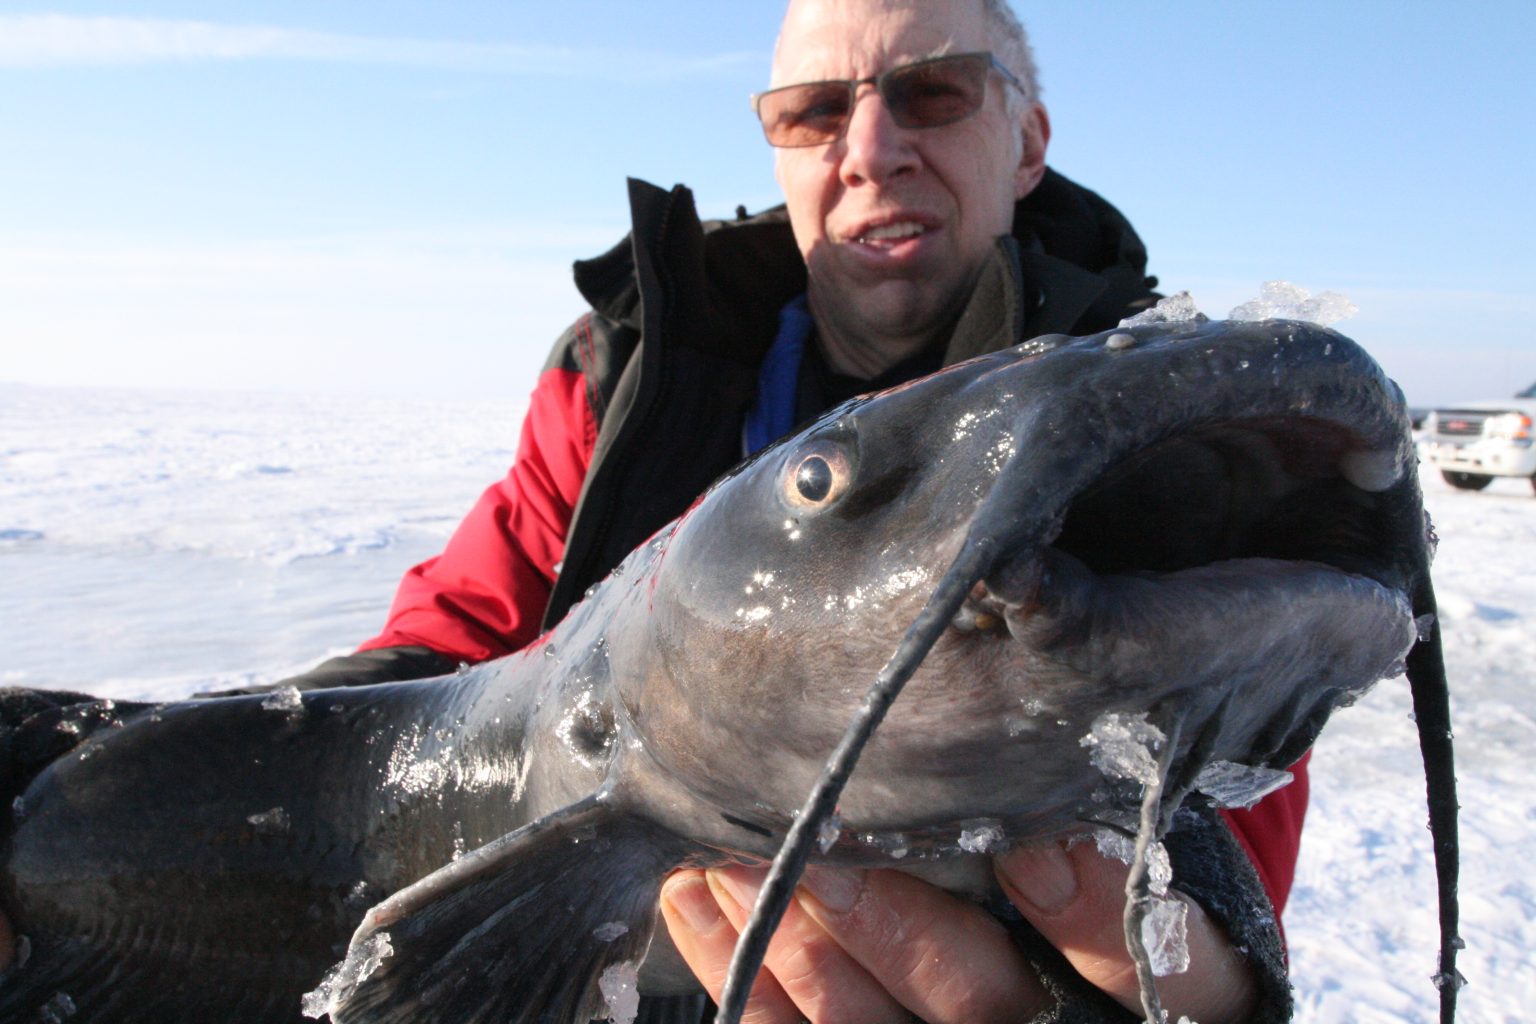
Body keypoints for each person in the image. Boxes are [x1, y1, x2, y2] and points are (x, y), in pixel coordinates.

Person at [0, 1, 1306, 1020]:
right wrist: (184, 804)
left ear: (1026, 140)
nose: (870, 148)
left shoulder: (1170, 439)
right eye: (810, 112)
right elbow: (456, 638)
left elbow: (1234, 792)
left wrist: (1201, 990)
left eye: (934, 90)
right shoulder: (627, 369)